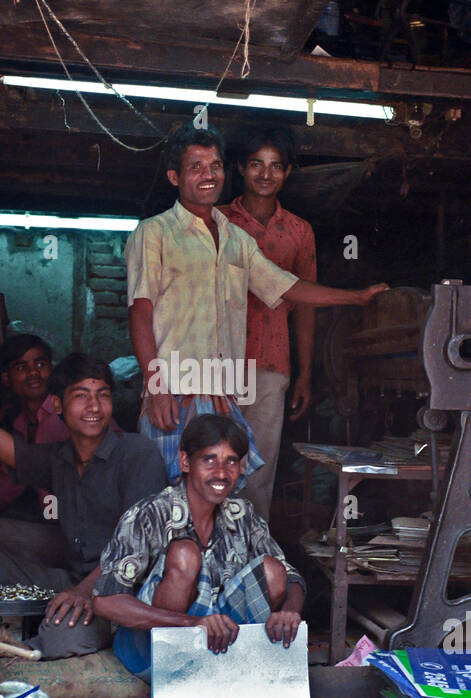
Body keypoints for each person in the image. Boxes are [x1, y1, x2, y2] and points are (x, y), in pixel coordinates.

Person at [127, 126, 388, 487]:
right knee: (164, 501)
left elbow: (288, 286)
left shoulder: (236, 238)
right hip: (173, 391)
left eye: (215, 165)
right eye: (196, 167)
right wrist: (155, 387)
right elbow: (140, 312)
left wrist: (355, 298)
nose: (209, 175)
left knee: (223, 502)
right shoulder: (153, 233)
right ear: (175, 176)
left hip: (221, 395)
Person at [0, 323, 167, 658]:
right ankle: (5, 635)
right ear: (58, 405)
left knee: (63, 638)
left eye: (102, 395)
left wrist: (83, 592)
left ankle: (50, 640)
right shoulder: (57, 459)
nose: (94, 406)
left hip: (122, 593)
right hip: (73, 579)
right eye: (81, 396)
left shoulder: (138, 454)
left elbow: (135, 549)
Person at [92, 414, 306, 680]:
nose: (221, 472)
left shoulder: (242, 514)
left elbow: (292, 576)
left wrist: (289, 612)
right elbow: (105, 602)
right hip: (151, 649)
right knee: (185, 554)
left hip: (218, 643)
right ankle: (174, 676)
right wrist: (194, 625)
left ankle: (219, 671)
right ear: (185, 462)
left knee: (273, 572)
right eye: (209, 459)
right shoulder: (151, 514)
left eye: (231, 461)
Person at [219, 127, 317, 520]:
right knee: (211, 461)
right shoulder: (217, 221)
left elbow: (307, 304)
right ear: (240, 168)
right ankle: (200, 559)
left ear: (288, 172)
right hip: (216, 364)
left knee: (258, 469)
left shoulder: (299, 231)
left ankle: (248, 561)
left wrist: (305, 372)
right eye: (256, 164)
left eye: (276, 166)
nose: (265, 174)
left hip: (271, 366)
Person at [0, 334, 69, 519]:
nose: (33, 373)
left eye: (40, 365)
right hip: (52, 524)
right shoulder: (20, 426)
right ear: (6, 379)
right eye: (22, 367)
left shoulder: (70, 415)